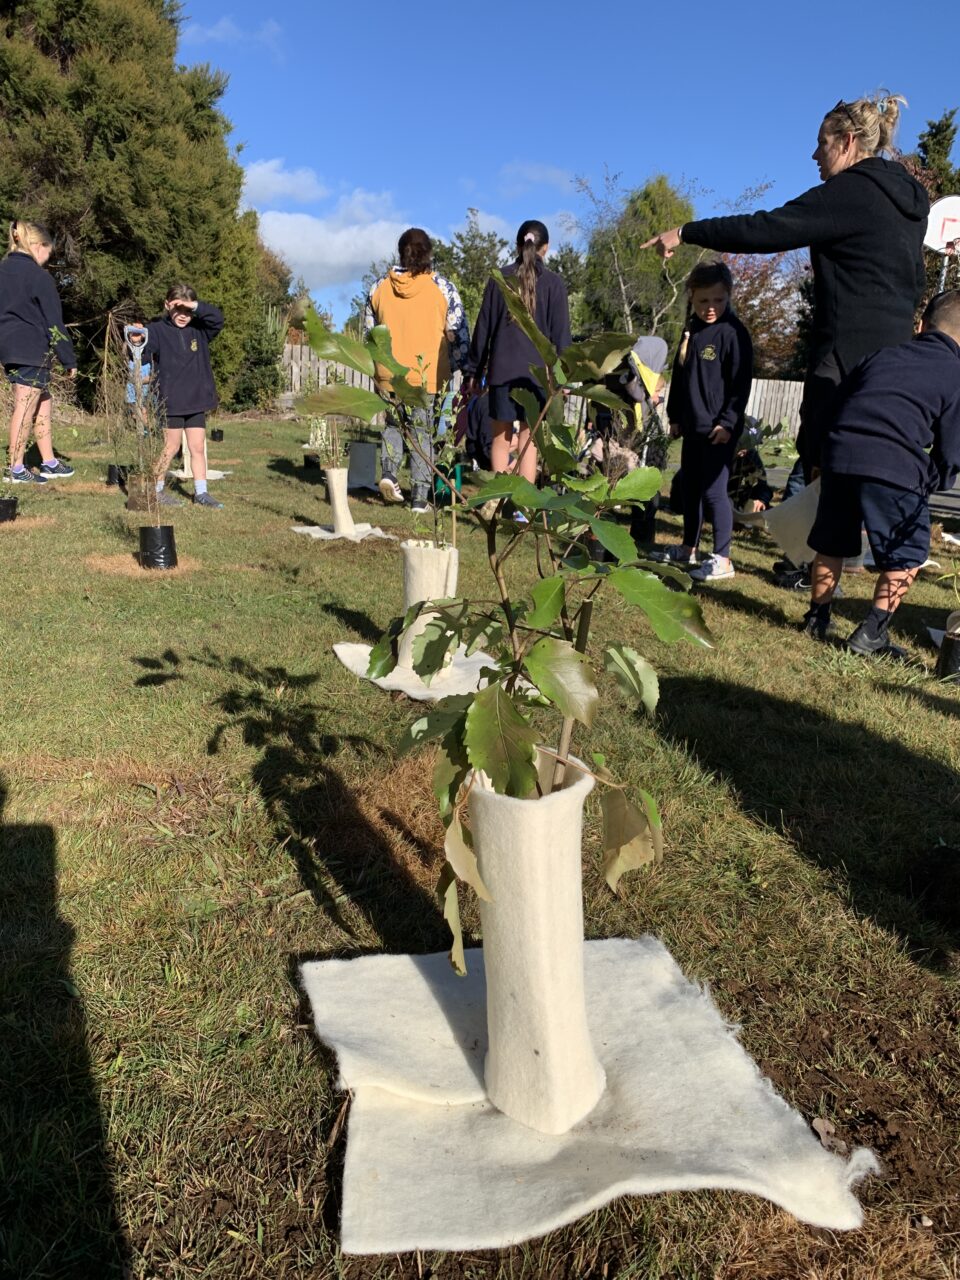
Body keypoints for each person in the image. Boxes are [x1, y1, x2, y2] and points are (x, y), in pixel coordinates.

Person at [642, 93, 928, 494]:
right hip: (895, 363)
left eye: (822, 143)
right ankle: (852, 554)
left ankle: (821, 556)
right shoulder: (909, 204)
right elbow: (915, 278)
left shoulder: (849, 191)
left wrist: (687, 232)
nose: (814, 154)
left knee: (825, 475)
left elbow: (764, 228)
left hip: (844, 363)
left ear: (847, 142)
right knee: (871, 479)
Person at [801, 289, 960, 657]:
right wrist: (938, 477)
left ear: (921, 326)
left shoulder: (883, 355)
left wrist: (820, 456)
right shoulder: (955, 372)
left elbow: (837, 403)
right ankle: (872, 633)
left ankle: (818, 617)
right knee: (908, 554)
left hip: (841, 452)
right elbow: (952, 444)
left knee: (832, 542)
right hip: (894, 463)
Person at [654, 261, 754, 582]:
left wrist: (727, 422)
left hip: (719, 430)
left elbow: (740, 386)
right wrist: (674, 416)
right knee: (690, 488)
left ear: (728, 297)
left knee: (714, 491)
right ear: (692, 298)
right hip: (693, 426)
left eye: (718, 300)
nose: (711, 308)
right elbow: (680, 379)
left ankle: (723, 559)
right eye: (703, 301)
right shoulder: (691, 331)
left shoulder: (734, 334)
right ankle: (689, 548)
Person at [364, 228, 469, 513]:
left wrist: (377, 368)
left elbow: (369, 333)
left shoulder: (378, 288)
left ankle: (388, 473)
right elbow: (459, 333)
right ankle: (420, 498)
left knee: (392, 424)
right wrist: (460, 365)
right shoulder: (443, 288)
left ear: (400, 252)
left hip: (389, 373)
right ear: (429, 252)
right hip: (426, 374)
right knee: (422, 431)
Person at [462, 220, 571, 490]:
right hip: (537, 376)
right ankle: (522, 508)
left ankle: (499, 501)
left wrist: (473, 370)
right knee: (528, 440)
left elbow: (483, 328)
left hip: (502, 372)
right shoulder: (555, 284)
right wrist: (563, 377)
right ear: (546, 248)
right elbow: (562, 337)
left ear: (517, 245)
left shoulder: (499, 279)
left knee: (500, 437)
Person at [0, 219, 77, 484]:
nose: (47, 258)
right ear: (37, 245)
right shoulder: (38, 276)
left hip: (9, 346)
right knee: (25, 403)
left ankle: (49, 462)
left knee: (43, 400)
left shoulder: (3, 270)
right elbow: (54, 323)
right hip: (30, 347)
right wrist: (68, 357)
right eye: (48, 252)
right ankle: (16, 468)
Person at [144, 285, 225, 508]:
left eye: (187, 311)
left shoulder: (200, 330)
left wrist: (194, 307)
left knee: (197, 447)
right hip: (169, 401)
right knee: (170, 447)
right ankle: (155, 491)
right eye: (178, 309)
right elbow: (141, 355)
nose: (183, 316)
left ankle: (201, 493)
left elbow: (218, 319)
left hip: (196, 399)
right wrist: (134, 342)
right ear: (167, 305)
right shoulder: (157, 330)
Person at [124, 323, 152, 427]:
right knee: (133, 407)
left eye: (138, 334)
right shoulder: (128, 347)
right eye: (133, 334)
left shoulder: (147, 347)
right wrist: (128, 331)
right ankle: (140, 427)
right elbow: (125, 347)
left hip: (145, 379)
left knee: (143, 408)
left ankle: (144, 430)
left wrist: (144, 332)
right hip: (132, 381)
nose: (136, 335)